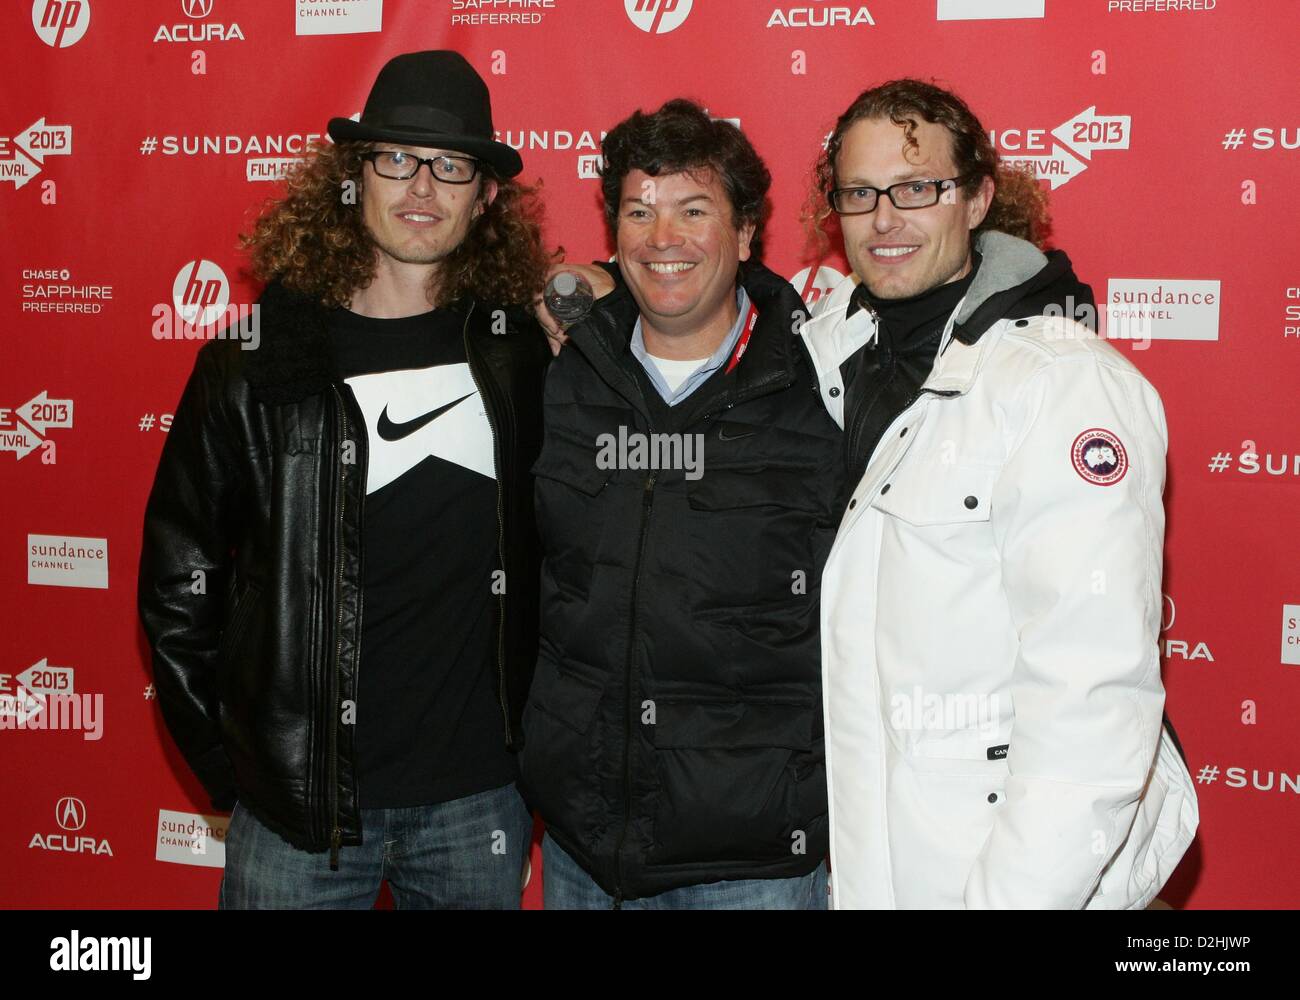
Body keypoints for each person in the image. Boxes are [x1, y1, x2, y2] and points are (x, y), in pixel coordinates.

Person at [137, 51, 552, 909]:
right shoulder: (255, 362)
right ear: (354, 176)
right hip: (297, 816)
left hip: (479, 802)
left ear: (485, 196)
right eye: (396, 158)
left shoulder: (521, 352)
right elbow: (179, 583)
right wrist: (238, 768)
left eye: (451, 166)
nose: (422, 187)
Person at [800, 78, 1198, 908]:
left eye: (917, 188)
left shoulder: (1064, 383)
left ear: (978, 198)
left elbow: (1090, 700)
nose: (885, 219)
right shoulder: (826, 355)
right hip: (868, 859)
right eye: (860, 193)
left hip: (1002, 873)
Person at [520, 99, 843, 909]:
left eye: (694, 210)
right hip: (584, 853)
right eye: (639, 211)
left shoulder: (823, 388)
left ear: (746, 233)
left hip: (751, 864)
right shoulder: (566, 374)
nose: (663, 238)